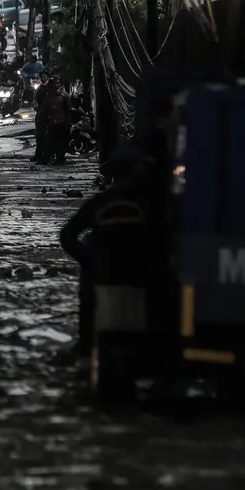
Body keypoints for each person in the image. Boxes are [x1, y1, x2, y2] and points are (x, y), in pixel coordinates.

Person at [59, 143, 167, 353]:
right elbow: (168, 238)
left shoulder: (101, 202)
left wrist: (89, 261)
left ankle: (85, 345)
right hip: (140, 275)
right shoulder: (153, 204)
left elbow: (68, 235)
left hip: (108, 275)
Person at [40, 79, 73, 164]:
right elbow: (44, 109)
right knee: (50, 141)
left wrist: (67, 122)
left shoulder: (65, 96)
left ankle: (60, 158)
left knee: (61, 142)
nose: (56, 85)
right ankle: (48, 158)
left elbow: (69, 110)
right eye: (54, 83)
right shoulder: (48, 96)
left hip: (61, 122)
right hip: (51, 122)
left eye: (57, 83)